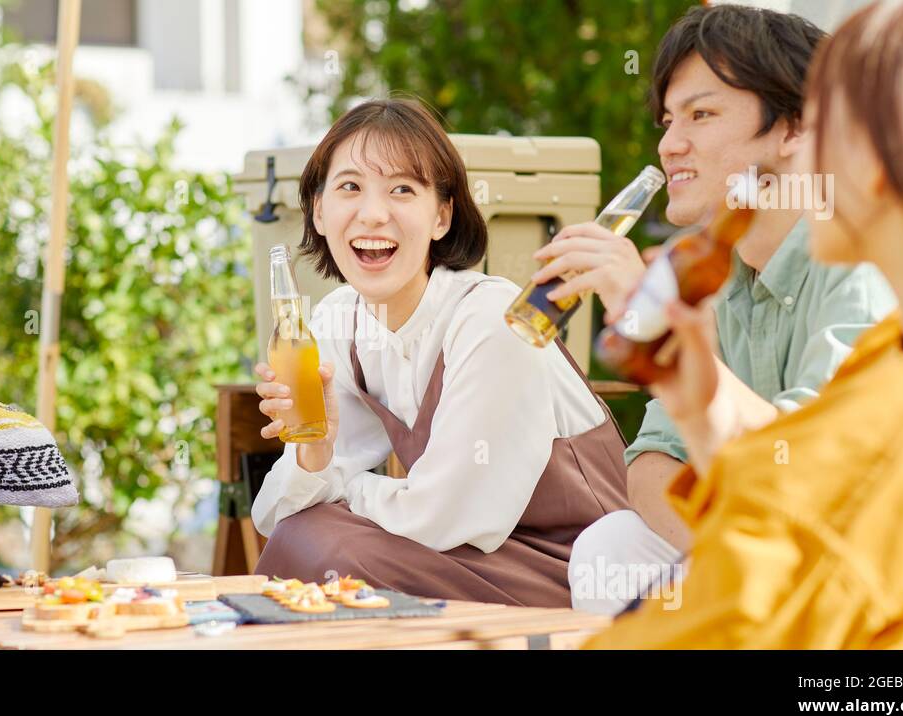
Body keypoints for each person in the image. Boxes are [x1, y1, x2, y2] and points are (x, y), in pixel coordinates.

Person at [588, 0, 903, 649]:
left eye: (822, 128)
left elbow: (776, 593)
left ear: (878, 163)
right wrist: (701, 404)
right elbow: (785, 495)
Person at [534, 5, 896, 615]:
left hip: (879, 567)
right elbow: (651, 466)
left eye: (701, 115)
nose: (670, 143)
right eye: (669, 120)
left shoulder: (860, 263)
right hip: (771, 549)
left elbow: (813, 465)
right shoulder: (708, 268)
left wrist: (653, 322)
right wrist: (730, 554)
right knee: (611, 547)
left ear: (795, 128)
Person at [249, 98, 629, 607]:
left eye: (402, 189)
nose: (374, 214)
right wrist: (316, 454)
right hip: (456, 558)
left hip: (575, 572)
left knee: (322, 542)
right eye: (350, 188)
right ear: (318, 211)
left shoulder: (491, 320)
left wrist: (344, 488)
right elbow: (273, 511)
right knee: (307, 533)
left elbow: (445, 515)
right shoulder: (341, 320)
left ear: (442, 216)